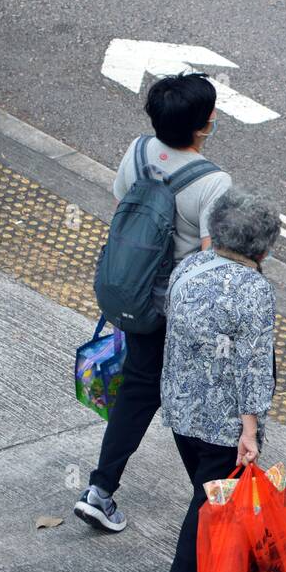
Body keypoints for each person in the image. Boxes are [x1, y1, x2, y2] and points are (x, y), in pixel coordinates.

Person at [74, 73, 231, 533]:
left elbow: (124, 203)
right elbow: (211, 254)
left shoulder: (139, 150)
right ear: (203, 126)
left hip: (134, 295)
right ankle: (215, 503)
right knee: (192, 401)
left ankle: (100, 490)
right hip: (178, 310)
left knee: (141, 391)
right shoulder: (213, 182)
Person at [154, 188, 281, 572]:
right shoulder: (255, 290)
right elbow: (254, 365)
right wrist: (250, 431)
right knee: (210, 506)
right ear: (263, 246)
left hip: (181, 407)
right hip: (223, 421)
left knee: (207, 495)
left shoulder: (189, 266)